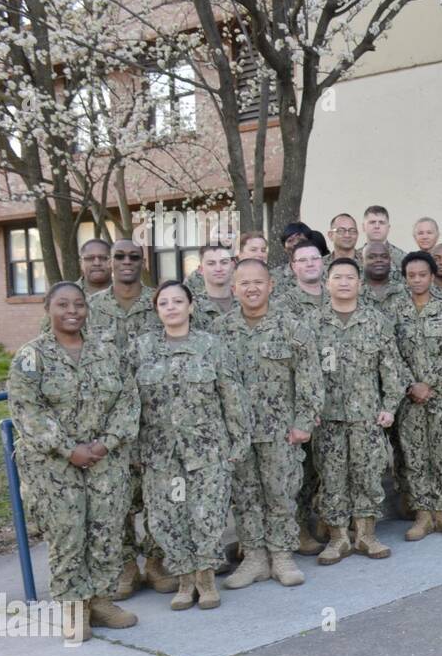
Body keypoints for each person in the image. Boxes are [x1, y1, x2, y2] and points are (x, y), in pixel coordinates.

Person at [9, 282, 141, 641]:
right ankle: (73, 607)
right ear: (48, 309)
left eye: (79, 304)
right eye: (63, 304)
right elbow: (26, 411)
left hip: (105, 461)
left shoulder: (107, 351)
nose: (72, 311)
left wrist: (106, 444)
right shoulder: (31, 356)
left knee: (105, 532)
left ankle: (100, 601)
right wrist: (69, 450)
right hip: (54, 467)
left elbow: (128, 401)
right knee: (67, 534)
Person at [129, 281, 249, 611]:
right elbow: (129, 404)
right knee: (168, 516)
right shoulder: (140, 350)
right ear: (157, 310)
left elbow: (231, 395)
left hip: (207, 451)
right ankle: (184, 579)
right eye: (164, 302)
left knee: (207, 514)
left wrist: (238, 440)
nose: (171, 307)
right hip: (162, 455)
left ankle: (206, 578)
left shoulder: (211, 346)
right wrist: (134, 450)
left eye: (178, 301)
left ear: (191, 306)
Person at [215, 259, 322, 589]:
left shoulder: (292, 327)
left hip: (281, 431)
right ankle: (255, 558)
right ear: (234, 289)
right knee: (245, 496)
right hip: (238, 434)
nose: (251, 288)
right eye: (244, 283)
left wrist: (304, 421)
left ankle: (281, 556)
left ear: (270, 285)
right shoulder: (220, 331)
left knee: (281, 494)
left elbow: (310, 378)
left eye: (258, 282)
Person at [88, 239, 173, 599]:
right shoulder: (90, 308)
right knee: (116, 494)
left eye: (133, 257)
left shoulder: (160, 303)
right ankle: (126, 565)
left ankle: (156, 562)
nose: (126, 262)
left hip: (156, 416)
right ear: (109, 262)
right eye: (118, 256)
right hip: (107, 422)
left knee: (159, 493)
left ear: (143, 261)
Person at [312, 258, 408, 561]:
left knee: (367, 475)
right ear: (327, 283)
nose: (343, 282)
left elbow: (391, 368)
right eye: (337, 277)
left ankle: (366, 535)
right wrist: (309, 409)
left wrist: (389, 407)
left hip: (367, 416)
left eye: (349, 277)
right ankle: (338, 537)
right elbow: (305, 373)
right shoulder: (313, 324)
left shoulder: (375, 321)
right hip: (327, 418)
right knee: (331, 477)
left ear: (359, 283)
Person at [394, 252, 442, 540]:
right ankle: (423, 514)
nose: (417, 280)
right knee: (415, 456)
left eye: (422, 274)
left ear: (432, 276)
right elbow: (391, 356)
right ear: (405, 278)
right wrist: (412, 385)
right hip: (410, 399)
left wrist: (429, 383)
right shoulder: (396, 313)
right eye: (411, 275)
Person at [190, 245, 238, 330]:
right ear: (201, 269)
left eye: (224, 262)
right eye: (211, 263)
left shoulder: (245, 303)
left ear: (232, 265)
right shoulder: (191, 308)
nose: (218, 269)